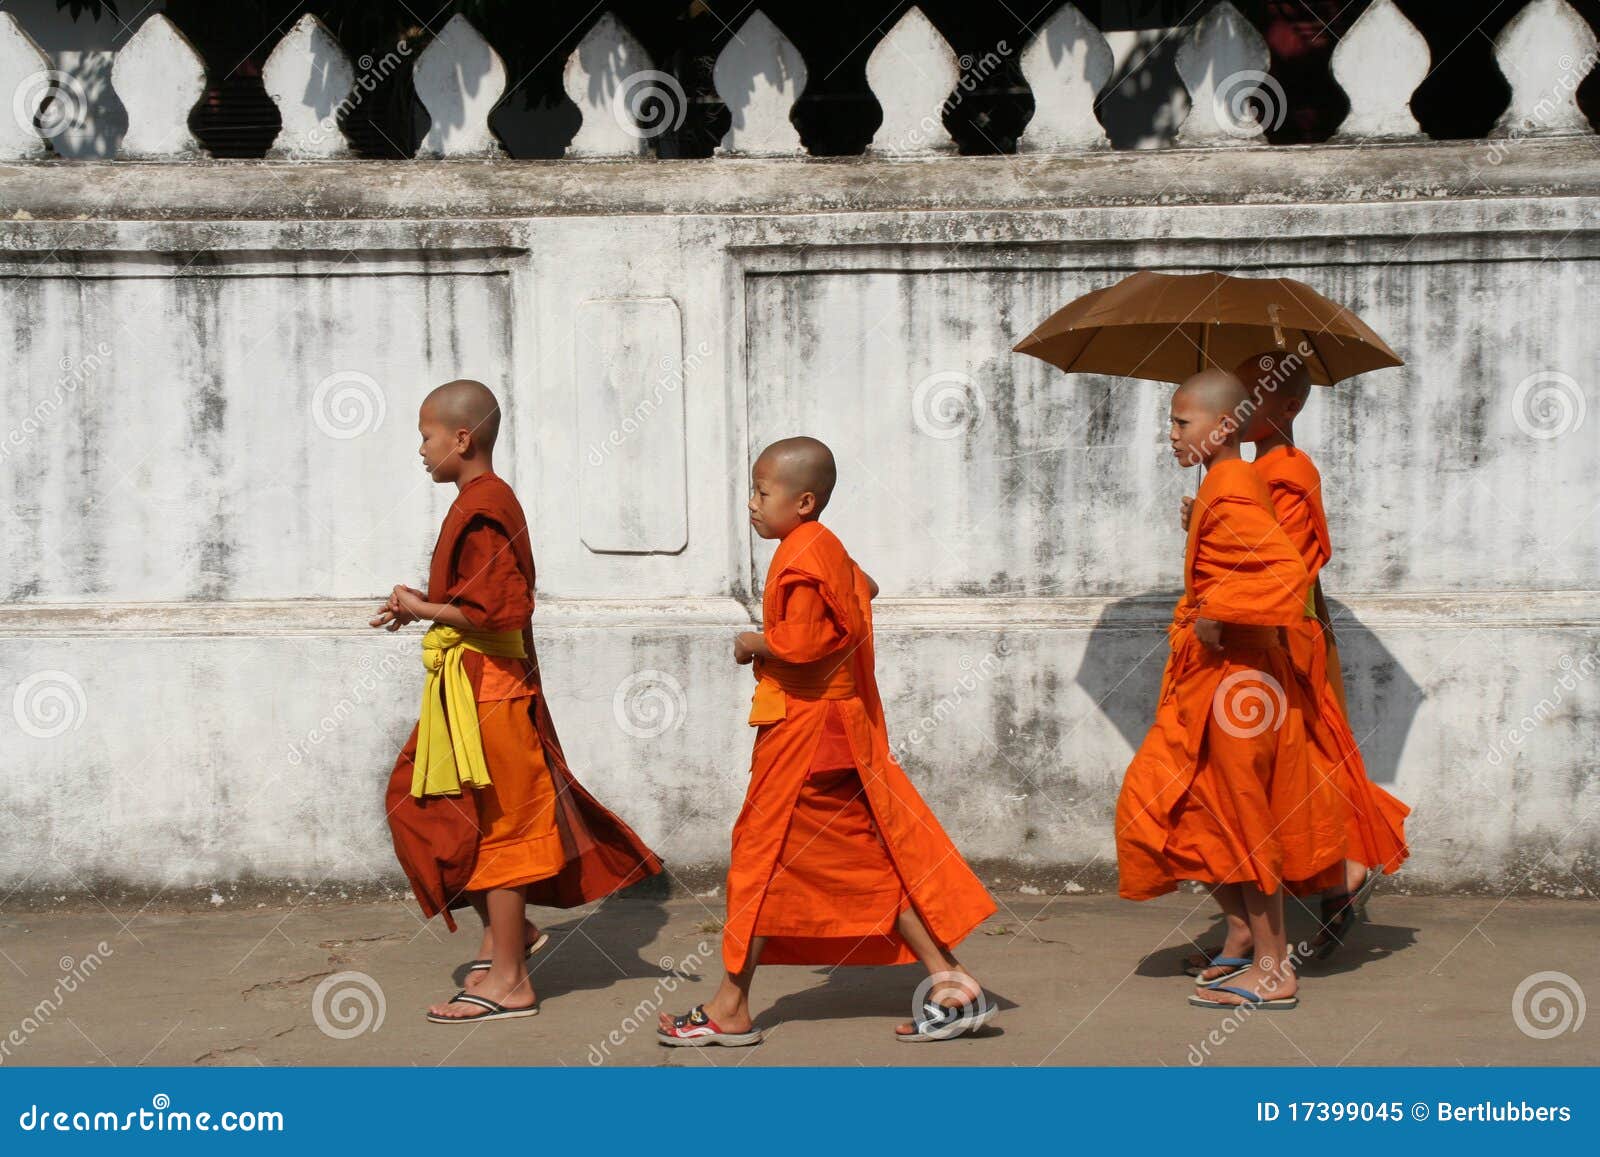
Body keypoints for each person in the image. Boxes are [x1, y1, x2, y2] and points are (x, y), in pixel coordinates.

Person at [658, 437, 998, 1045]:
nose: (752, 505)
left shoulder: (803, 553)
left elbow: (806, 646)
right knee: (859, 863)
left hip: (809, 737)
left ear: (805, 501)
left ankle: (730, 1008)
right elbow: (864, 588)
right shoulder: (821, 547)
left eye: (764, 493)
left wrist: (755, 642)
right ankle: (951, 983)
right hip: (830, 735)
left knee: (760, 860)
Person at [372, 378, 663, 1023]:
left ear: (461, 438)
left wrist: (424, 609)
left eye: (426, 436)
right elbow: (477, 602)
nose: (420, 450)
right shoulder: (478, 500)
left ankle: (510, 982)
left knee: (497, 828)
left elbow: (500, 607)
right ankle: (511, 937)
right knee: (424, 806)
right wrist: (420, 609)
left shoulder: (486, 504)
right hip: (468, 684)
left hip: (489, 692)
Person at [1116, 370, 1344, 1011]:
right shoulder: (1226, 481)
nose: (1169, 435)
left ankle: (1273, 970)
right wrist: (1202, 525)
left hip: (1241, 685)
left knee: (1245, 815)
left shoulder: (1233, 484)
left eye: (1180, 422)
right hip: (1218, 678)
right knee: (1176, 803)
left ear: (1220, 428)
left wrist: (1219, 610)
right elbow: (1246, 556)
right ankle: (1245, 935)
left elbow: (1284, 575)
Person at [1237, 350, 1409, 958]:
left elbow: (1275, 562)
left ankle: (1343, 868)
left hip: (1286, 634)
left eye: (1250, 395)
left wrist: (1215, 521)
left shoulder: (1290, 469)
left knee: (1300, 758)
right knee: (1284, 764)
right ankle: (1332, 878)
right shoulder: (1252, 469)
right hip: (1262, 633)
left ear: (1288, 407)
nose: (1235, 407)